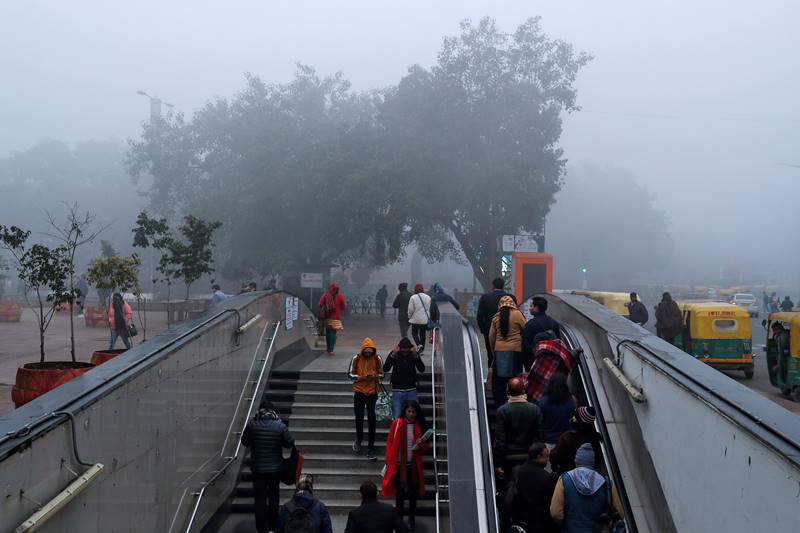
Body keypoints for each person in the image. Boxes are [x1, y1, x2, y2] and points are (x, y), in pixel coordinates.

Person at [240, 399, 295, 533]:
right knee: (274, 497)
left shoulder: (252, 425)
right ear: (272, 411)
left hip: (258, 470)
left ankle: (261, 529)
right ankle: (273, 526)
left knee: (260, 500)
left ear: (260, 410)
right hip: (275, 469)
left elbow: (244, 441)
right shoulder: (280, 426)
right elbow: (289, 443)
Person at [550, 443, 623, 533]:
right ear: (592, 462)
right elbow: (620, 512)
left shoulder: (564, 479)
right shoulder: (606, 483)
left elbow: (555, 513)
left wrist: (566, 525)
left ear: (576, 460)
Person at [382, 400, 428, 531]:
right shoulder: (397, 423)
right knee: (400, 495)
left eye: (413, 412)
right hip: (398, 466)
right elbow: (390, 442)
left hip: (412, 466)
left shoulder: (419, 425)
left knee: (413, 494)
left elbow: (425, 447)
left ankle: (411, 519)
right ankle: (399, 521)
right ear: (405, 411)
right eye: (409, 411)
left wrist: (420, 444)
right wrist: (388, 460)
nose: (411, 414)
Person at [505, 442, 559, 533]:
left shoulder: (517, 471)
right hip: (539, 524)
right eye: (547, 457)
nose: (548, 460)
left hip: (519, 521)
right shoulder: (547, 477)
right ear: (539, 457)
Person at [495, 377, 542, 474]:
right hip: (529, 455)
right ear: (523, 390)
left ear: (507, 390)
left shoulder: (502, 411)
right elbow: (539, 436)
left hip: (509, 457)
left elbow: (501, 440)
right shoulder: (535, 409)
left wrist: (499, 463)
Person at [349, 337, 384, 460]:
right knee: (359, 415)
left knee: (372, 418)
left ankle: (371, 446)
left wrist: (374, 376)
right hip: (359, 391)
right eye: (366, 351)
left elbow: (382, 374)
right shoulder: (356, 358)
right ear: (363, 350)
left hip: (372, 391)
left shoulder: (377, 358)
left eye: (370, 352)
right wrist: (361, 377)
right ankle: (359, 438)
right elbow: (350, 374)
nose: (368, 354)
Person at [489, 295, 527, 408]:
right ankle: (515, 400)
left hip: (499, 350)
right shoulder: (518, 314)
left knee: (499, 381)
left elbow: (491, 337)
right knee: (515, 377)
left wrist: (493, 351)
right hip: (515, 351)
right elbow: (526, 329)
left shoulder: (496, 317)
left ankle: (499, 404)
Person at [549, 406, 602, 475]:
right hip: (586, 476)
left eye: (575, 416)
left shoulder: (568, 437)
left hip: (567, 475)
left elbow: (554, 458)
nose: (573, 417)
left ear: (579, 421)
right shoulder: (595, 439)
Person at [383, 337, 426, 418]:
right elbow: (386, 368)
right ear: (399, 349)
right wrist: (392, 355)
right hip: (397, 390)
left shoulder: (413, 355)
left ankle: (412, 430)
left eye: (407, 351)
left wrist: (416, 355)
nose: (405, 353)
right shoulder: (395, 354)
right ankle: (398, 430)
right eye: (403, 351)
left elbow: (422, 369)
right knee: (397, 415)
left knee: (414, 415)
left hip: (411, 389)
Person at [345, 480, 409, 533]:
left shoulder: (354, 513)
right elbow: (403, 530)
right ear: (377, 494)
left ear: (361, 495)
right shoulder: (389, 510)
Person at [477, 278, 514, 367]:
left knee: (490, 354)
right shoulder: (510, 297)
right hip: (507, 330)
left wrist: (483, 330)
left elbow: (479, 316)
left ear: (493, 286)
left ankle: (491, 373)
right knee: (505, 354)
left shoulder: (485, 297)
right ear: (503, 286)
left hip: (489, 330)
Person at [525, 336, 576, 401]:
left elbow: (531, 376)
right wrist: (575, 352)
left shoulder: (540, 354)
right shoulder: (562, 358)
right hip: (549, 396)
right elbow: (569, 358)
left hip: (532, 395)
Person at [539, 373, 576, 447]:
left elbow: (540, 422)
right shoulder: (572, 400)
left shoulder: (544, 401)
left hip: (549, 441)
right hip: (567, 441)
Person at [319, 283, 347, 356]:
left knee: (328, 332)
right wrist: (338, 307)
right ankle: (331, 349)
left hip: (327, 316)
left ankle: (328, 348)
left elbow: (320, 304)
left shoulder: (325, 295)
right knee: (333, 333)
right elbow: (344, 307)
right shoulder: (340, 295)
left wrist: (326, 307)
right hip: (336, 317)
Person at [407, 284, 433, 353]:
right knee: (422, 334)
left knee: (414, 333)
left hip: (415, 319)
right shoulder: (428, 297)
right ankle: (422, 349)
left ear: (415, 290)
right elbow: (430, 308)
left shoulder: (413, 297)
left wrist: (409, 317)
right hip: (425, 320)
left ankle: (419, 345)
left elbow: (410, 309)